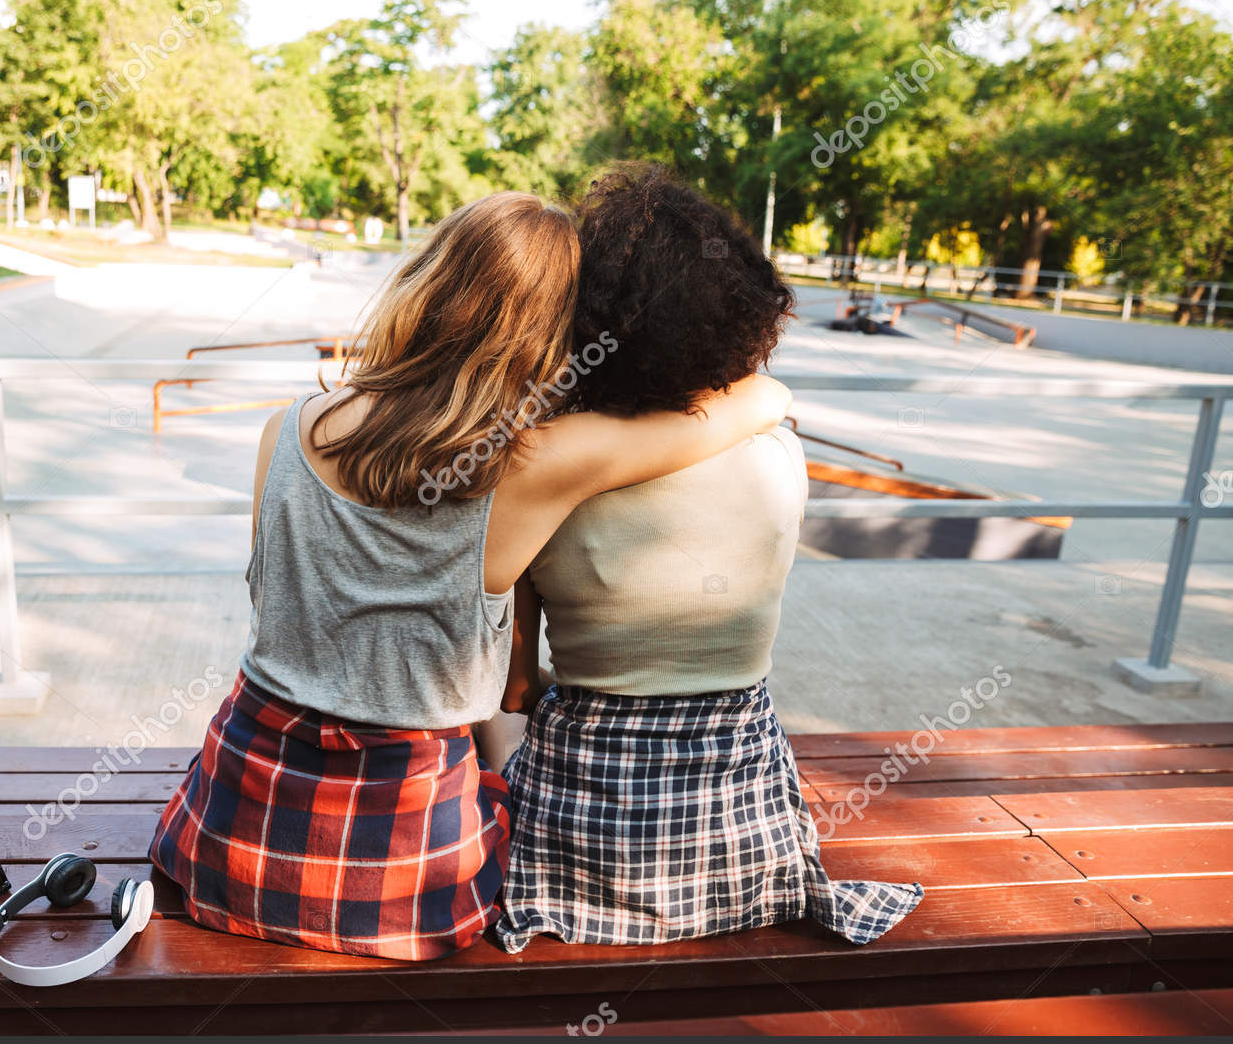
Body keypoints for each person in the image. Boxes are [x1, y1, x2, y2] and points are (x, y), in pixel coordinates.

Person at [150, 189, 793, 960]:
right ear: (555, 335)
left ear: (425, 280)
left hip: (231, 828)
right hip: (401, 876)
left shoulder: (283, 430)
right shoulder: (531, 466)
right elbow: (747, 405)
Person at [496, 164, 922, 953]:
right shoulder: (778, 450)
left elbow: (514, 686)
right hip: (741, 842)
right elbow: (742, 408)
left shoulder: (542, 465)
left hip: (576, 848)